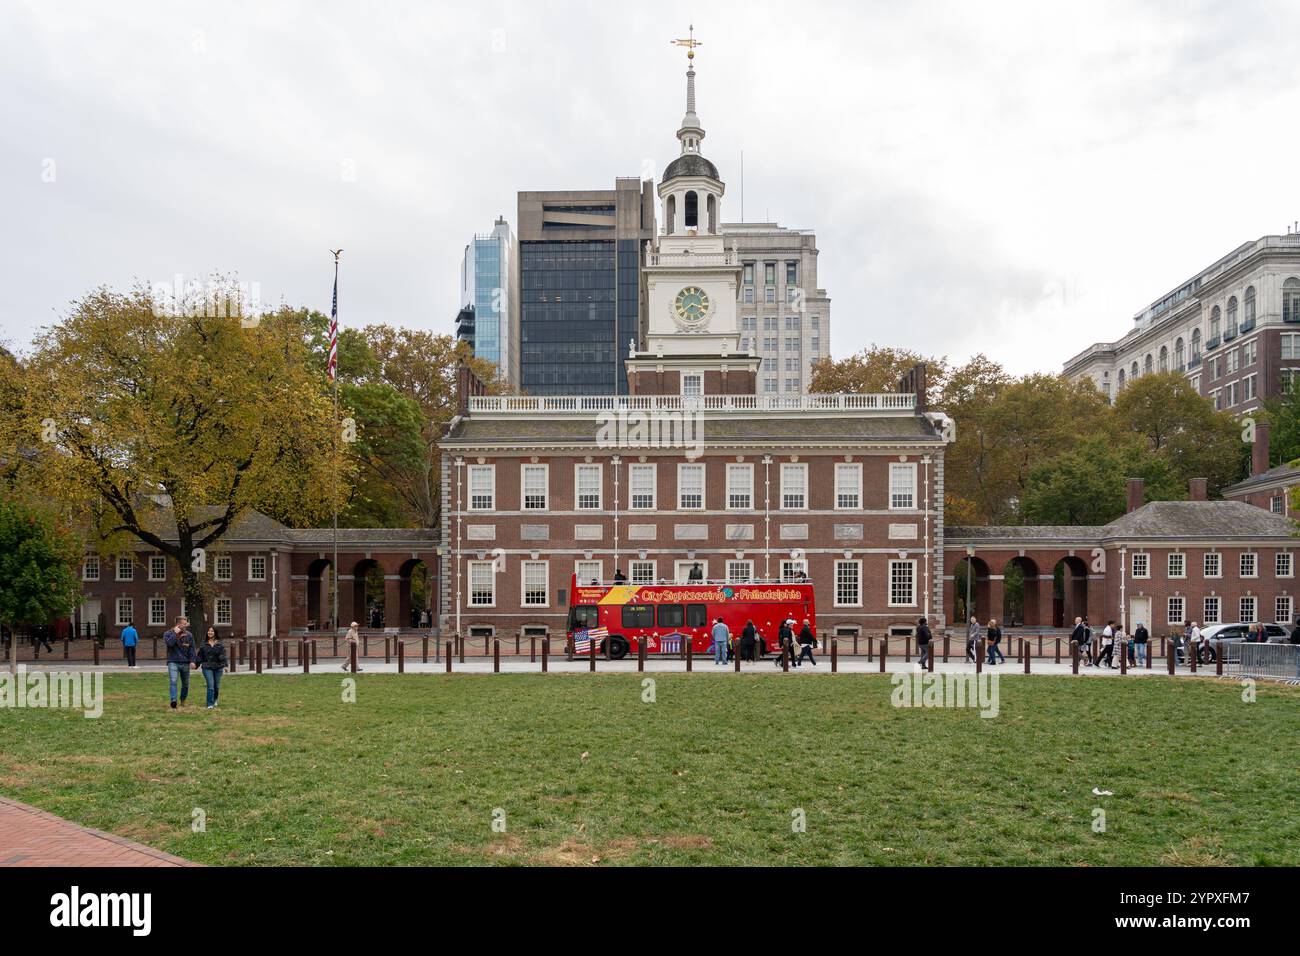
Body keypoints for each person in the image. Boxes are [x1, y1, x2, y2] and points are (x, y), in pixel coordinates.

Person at [163, 616, 196, 708]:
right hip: (173, 661)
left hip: (185, 662)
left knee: (185, 684)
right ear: (178, 624)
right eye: (184, 624)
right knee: (173, 681)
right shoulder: (168, 633)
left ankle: (183, 699)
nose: (186, 625)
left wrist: (193, 661)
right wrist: (175, 634)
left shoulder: (189, 635)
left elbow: (192, 649)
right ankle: (173, 700)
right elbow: (170, 644)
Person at [196, 627, 228, 709]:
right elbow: (200, 656)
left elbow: (223, 655)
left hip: (218, 667)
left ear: (215, 633)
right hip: (207, 667)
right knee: (210, 685)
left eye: (212, 631)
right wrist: (196, 665)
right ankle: (210, 704)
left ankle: (214, 699)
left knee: (216, 686)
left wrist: (225, 665)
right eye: (209, 631)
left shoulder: (220, 644)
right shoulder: (204, 644)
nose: (210, 632)